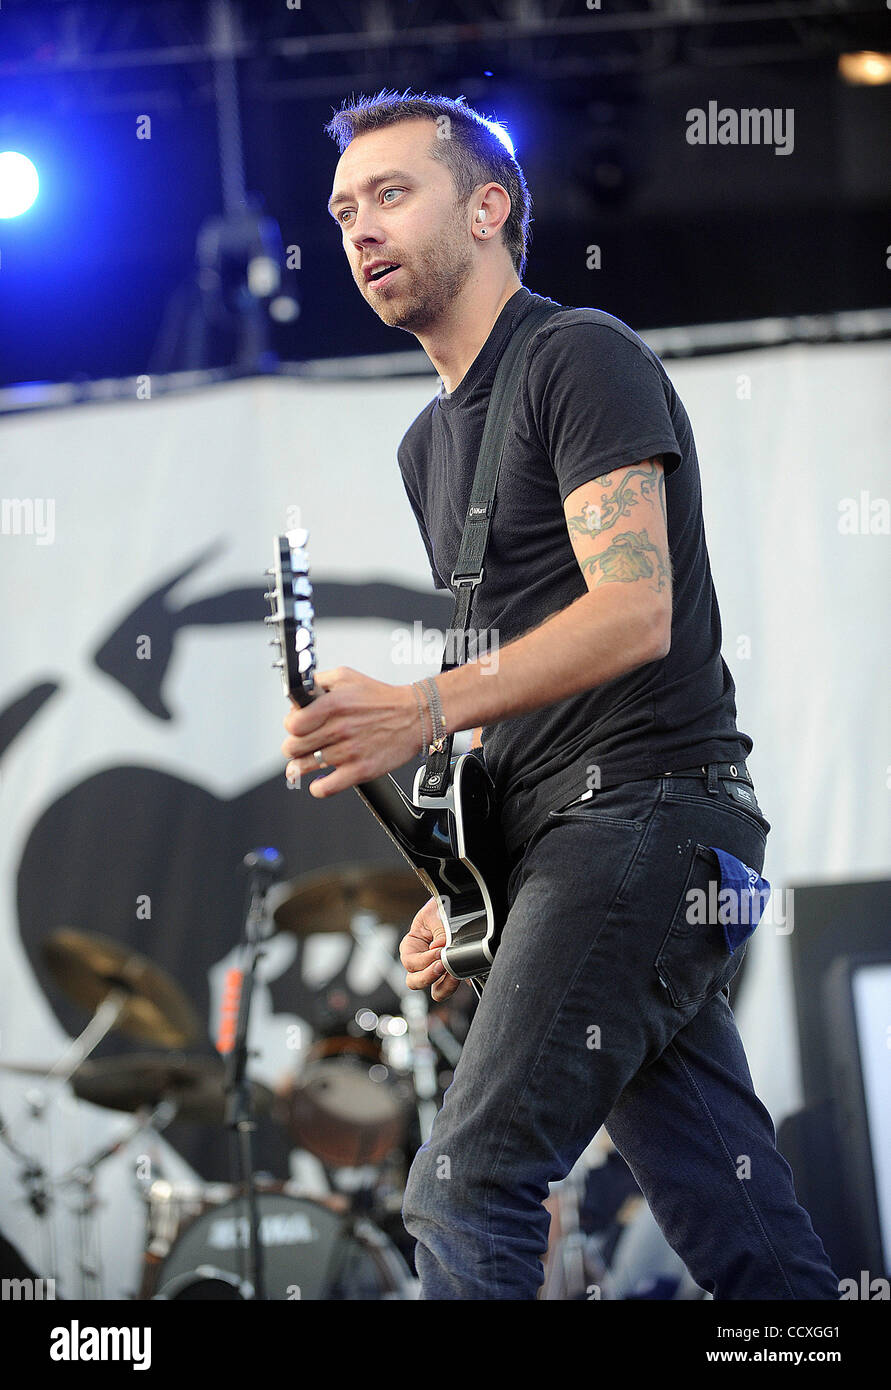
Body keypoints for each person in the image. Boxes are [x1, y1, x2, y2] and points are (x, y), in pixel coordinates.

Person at [281, 90, 838, 1300]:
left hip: (647, 815)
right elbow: (527, 684)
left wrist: (421, 705)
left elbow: (631, 611)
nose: (358, 228)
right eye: (340, 212)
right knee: (732, 1219)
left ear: (489, 208)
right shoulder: (427, 446)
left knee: (465, 1181)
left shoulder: (577, 353)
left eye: (390, 194)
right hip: (580, 848)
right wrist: (473, 884)